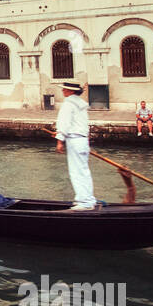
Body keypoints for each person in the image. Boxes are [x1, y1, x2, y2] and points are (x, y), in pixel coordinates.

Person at [54, 80, 96, 210]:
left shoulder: (68, 104)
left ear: (71, 91)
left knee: (76, 172)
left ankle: (84, 202)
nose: (63, 91)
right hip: (83, 141)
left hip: (74, 140)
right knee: (84, 171)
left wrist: (60, 140)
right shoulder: (81, 105)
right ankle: (88, 199)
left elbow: (64, 123)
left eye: (65, 89)